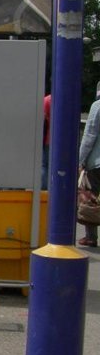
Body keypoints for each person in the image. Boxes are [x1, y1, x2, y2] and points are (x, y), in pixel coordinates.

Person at [78, 82, 100, 247]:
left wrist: (80, 160)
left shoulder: (97, 106)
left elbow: (89, 135)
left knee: (91, 198)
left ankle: (91, 237)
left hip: (97, 163)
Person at [42, 93, 51, 190]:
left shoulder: (47, 100)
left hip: (48, 139)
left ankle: (44, 189)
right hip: (63, 142)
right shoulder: (67, 99)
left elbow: (43, 121)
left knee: (44, 165)